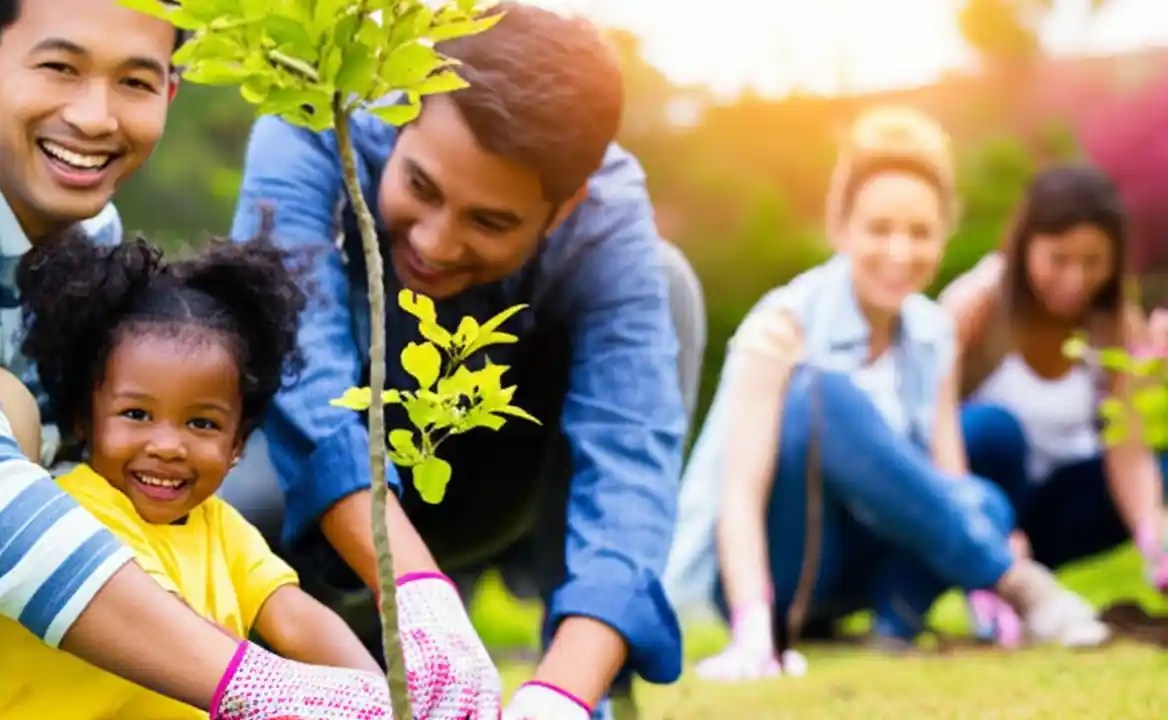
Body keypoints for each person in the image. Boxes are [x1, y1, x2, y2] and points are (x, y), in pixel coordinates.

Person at [0, 1, 429, 716]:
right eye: (59, 67)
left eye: (135, 82)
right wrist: (258, 685)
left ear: (169, 92)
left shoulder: (90, 236)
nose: (94, 117)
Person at [222, 2, 706, 717]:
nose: (439, 244)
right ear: (409, 109)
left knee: (669, 284)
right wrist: (416, 594)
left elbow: (629, 461)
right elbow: (300, 373)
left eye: (490, 221)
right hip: (305, 494)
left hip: (490, 480)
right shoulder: (313, 125)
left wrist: (560, 698)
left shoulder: (606, 219)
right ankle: (358, 642)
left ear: (564, 207)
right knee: (221, 498)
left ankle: (591, 671)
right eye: (422, 188)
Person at [666, 106, 1110, 683]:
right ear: (842, 230)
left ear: (942, 235)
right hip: (779, 570)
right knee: (822, 394)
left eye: (920, 232)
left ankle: (899, 621)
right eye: (879, 229)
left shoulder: (932, 334)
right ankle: (1022, 585)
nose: (900, 252)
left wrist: (983, 593)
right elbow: (740, 499)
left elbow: (950, 483)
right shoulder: (782, 324)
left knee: (985, 500)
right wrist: (755, 632)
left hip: (865, 566)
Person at [0, 230, 391, 717]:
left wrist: (381, 696)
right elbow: (172, 627)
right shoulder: (74, 509)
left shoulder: (221, 528)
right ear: (84, 418)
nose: (167, 447)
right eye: (137, 415)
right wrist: (316, 699)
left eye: (202, 423)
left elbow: (294, 619)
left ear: (237, 445)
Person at [939, 165, 1168, 639]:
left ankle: (1037, 586)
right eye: (1058, 259)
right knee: (991, 428)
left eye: (1092, 261)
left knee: (1161, 466)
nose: (1074, 278)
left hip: (1057, 511)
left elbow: (1126, 446)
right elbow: (933, 427)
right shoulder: (974, 306)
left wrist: (1154, 538)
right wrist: (984, 528)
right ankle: (993, 578)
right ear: (1025, 247)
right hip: (977, 498)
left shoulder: (1117, 326)